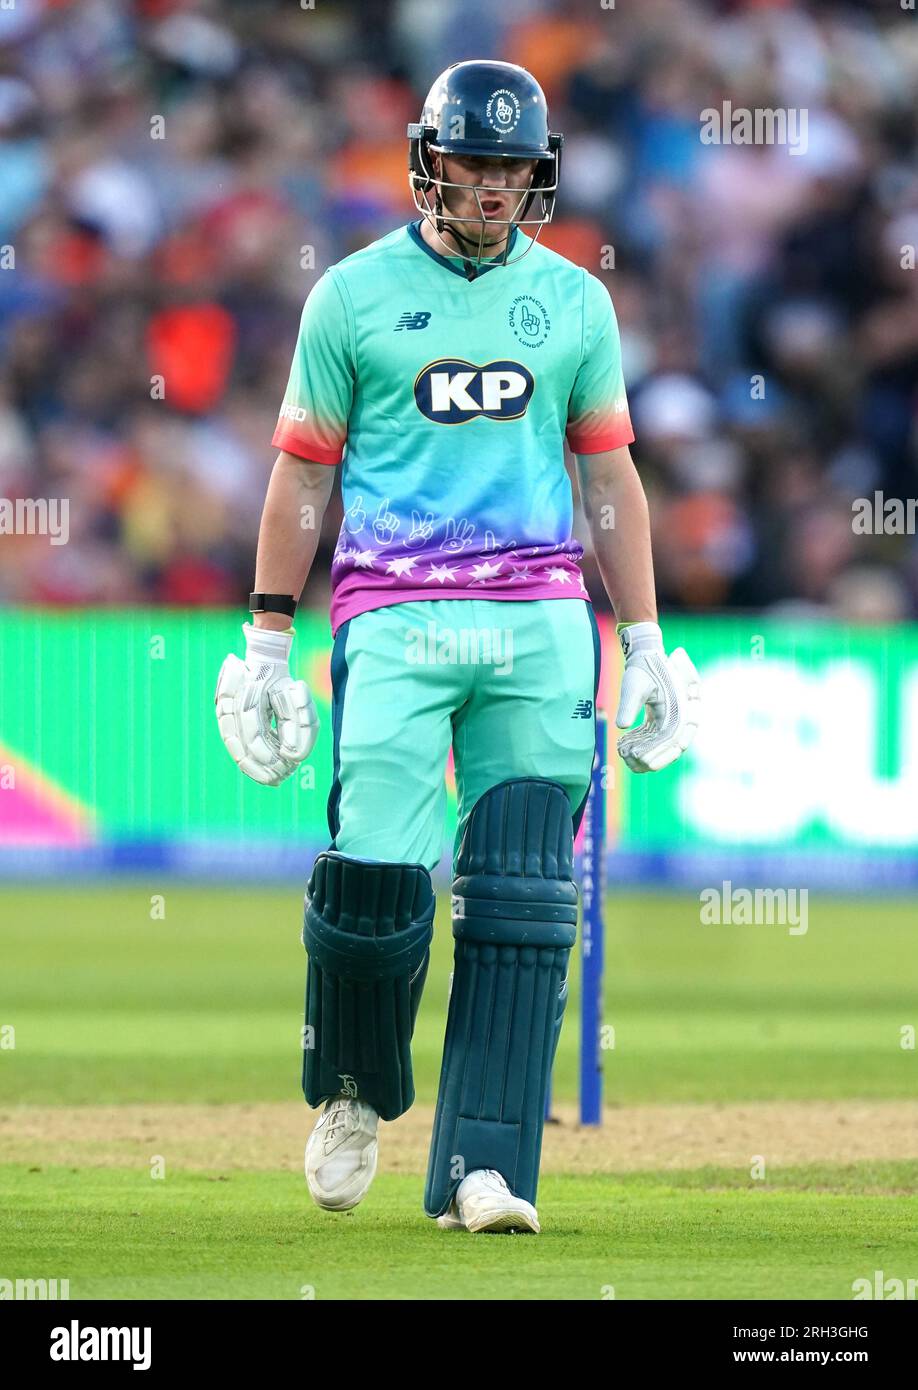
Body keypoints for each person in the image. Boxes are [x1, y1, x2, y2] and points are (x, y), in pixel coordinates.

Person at [216, 59, 700, 1235]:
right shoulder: (351, 296)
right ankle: (350, 1090)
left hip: (540, 618)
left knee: (527, 899)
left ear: (540, 174)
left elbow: (608, 473)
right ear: (431, 161)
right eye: (477, 162)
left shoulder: (579, 303)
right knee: (376, 877)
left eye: (514, 167)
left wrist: (644, 641)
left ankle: (487, 1164)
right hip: (394, 611)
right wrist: (270, 640)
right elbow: (301, 473)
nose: (495, 185)